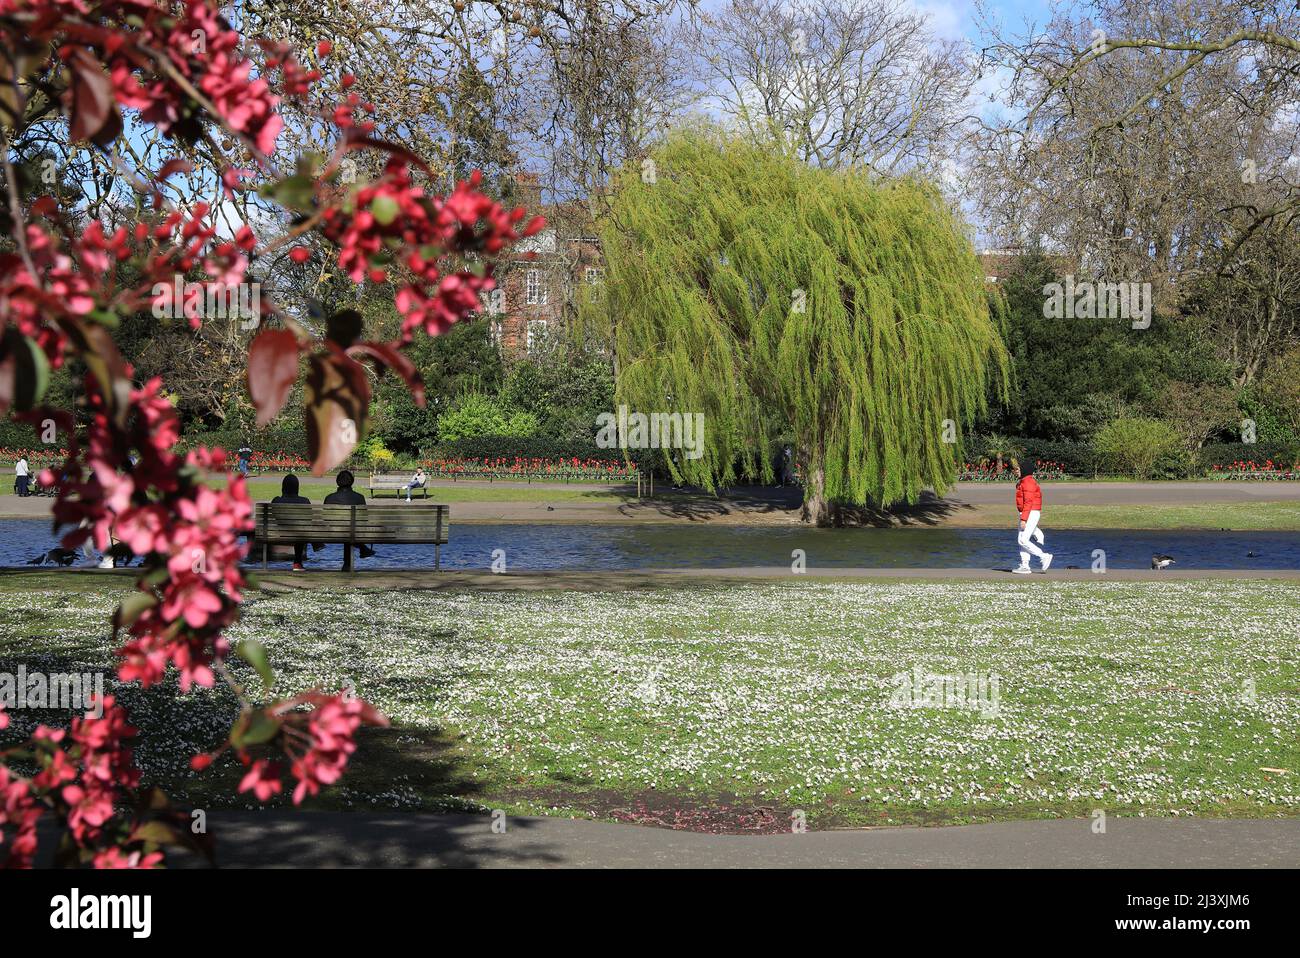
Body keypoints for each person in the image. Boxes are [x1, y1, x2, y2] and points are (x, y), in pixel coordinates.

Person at [324, 470, 375, 560]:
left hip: (332, 532)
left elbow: (325, 518)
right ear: (352, 481)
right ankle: (361, 550)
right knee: (350, 530)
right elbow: (364, 519)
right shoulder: (359, 497)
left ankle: (360, 552)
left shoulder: (329, 498)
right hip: (353, 531)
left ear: (337, 482)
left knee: (347, 530)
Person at [1013, 461, 1052, 574]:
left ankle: (1043, 556)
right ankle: (1025, 565)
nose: (1016, 472)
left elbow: (1028, 502)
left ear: (1024, 470)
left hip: (1030, 513)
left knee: (1022, 540)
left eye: (1018, 469)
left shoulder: (1028, 482)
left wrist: (1024, 519)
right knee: (1021, 540)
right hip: (1027, 513)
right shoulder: (1024, 482)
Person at [271, 474, 311, 570]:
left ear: (283, 487)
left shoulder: (276, 501)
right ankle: (297, 563)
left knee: (298, 530)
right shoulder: (304, 501)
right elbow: (309, 520)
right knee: (300, 530)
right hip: (299, 534)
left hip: (280, 534)